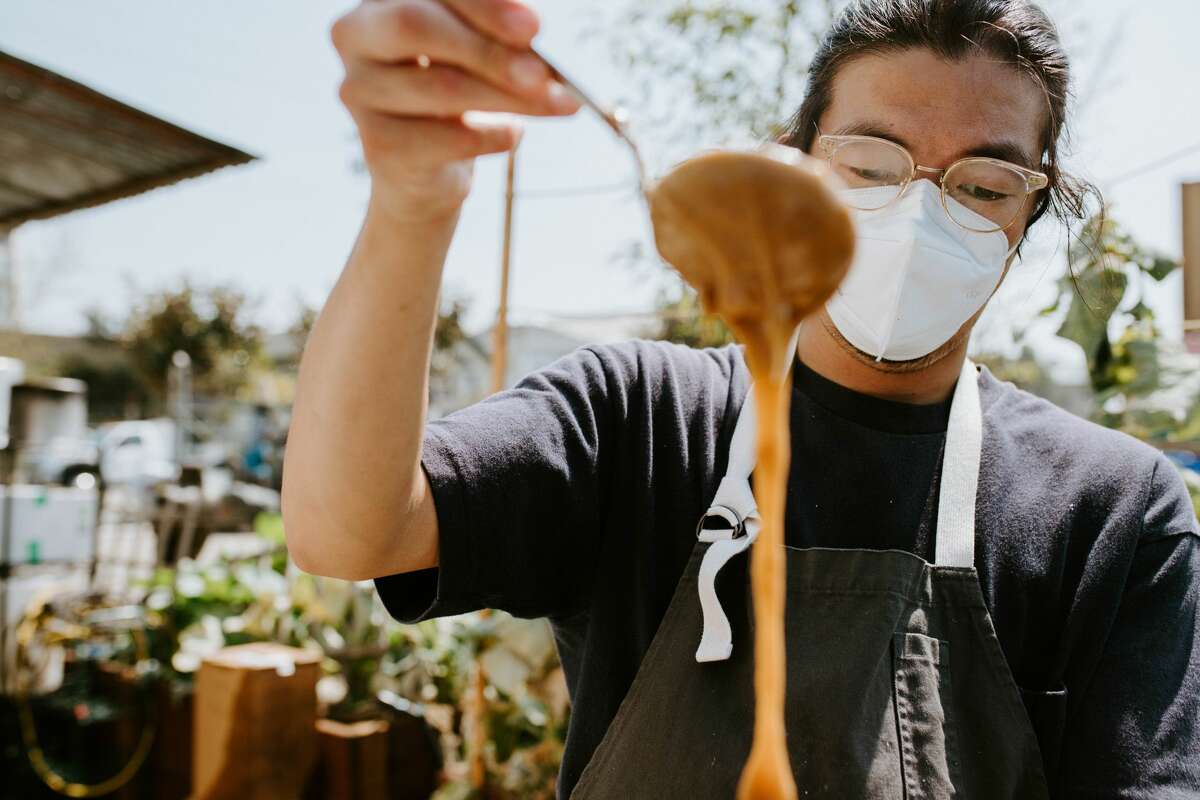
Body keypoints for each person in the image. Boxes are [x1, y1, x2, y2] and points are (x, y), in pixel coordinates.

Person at [283, 0, 1200, 796]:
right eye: (871, 166)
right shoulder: (640, 418)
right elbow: (351, 531)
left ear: (1029, 214)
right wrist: (413, 202)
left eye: (984, 186)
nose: (921, 217)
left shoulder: (1110, 509)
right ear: (793, 168)